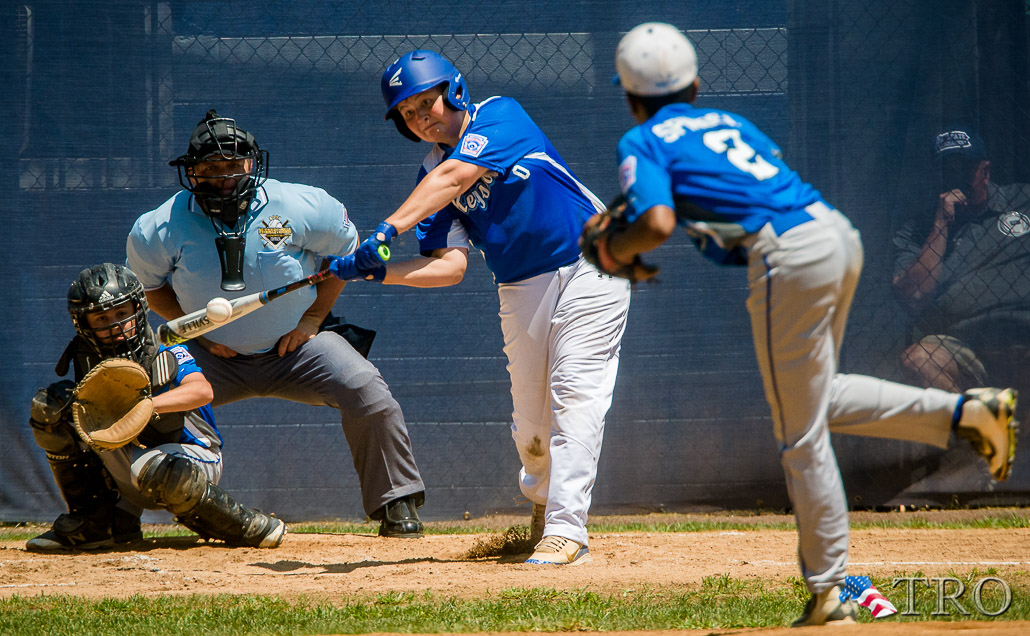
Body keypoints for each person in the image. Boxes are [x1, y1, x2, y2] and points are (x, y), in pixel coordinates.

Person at [596, 22, 1019, 626]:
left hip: (788, 254)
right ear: (695, 85)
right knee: (818, 400)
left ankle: (829, 592)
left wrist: (613, 249)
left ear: (630, 96)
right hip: (834, 234)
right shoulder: (728, 123)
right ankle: (968, 414)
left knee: (799, 434)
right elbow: (737, 200)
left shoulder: (641, 139)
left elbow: (658, 223)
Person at [328, 50, 632, 565]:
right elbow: (449, 267)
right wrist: (379, 271)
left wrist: (386, 231)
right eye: (408, 113)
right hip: (522, 284)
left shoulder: (500, 115)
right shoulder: (428, 179)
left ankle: (567, 528)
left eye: (427, 102)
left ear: (455, 91)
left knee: (575, 391)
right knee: (531, 430)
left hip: (591, 263)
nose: (421, 118)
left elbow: (455, 178)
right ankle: (544, 505)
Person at [126, 110, 426, 537]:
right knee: (136, 402)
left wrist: (314, 318)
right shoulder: (158, 226)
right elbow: (149, 288)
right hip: (208, 359)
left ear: (253, 163)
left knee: (365, 388)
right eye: (211, 168)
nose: (224, 178)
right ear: (191, 172)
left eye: (234, 165)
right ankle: (113, 517)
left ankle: (396, 502)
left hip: (296, 350)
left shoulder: (301, 205)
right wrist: (197, 334)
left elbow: (345, 257)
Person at [27, 263, 285, 551]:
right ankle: (97, 523)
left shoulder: (164, 349)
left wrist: (148, 406)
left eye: (121, 313)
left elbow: (203, 391)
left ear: (138, 309)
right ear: (84, 324)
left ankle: (246, 525)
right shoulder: (86, 358)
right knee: (51, 409)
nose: (114, 325)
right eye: (101, 318)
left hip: (190, 458)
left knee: (155, 468)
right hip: (128, 466)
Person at [892, 127, 1030, 393]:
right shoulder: (918, 230)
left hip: (1023, 329)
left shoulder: (1022, 201)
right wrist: (941, 224)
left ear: (985, 171)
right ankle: (976, 417)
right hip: (964, 342)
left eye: (963, 168)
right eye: (946, 169)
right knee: (918, 360)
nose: (954, 177)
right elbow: (914, 296)